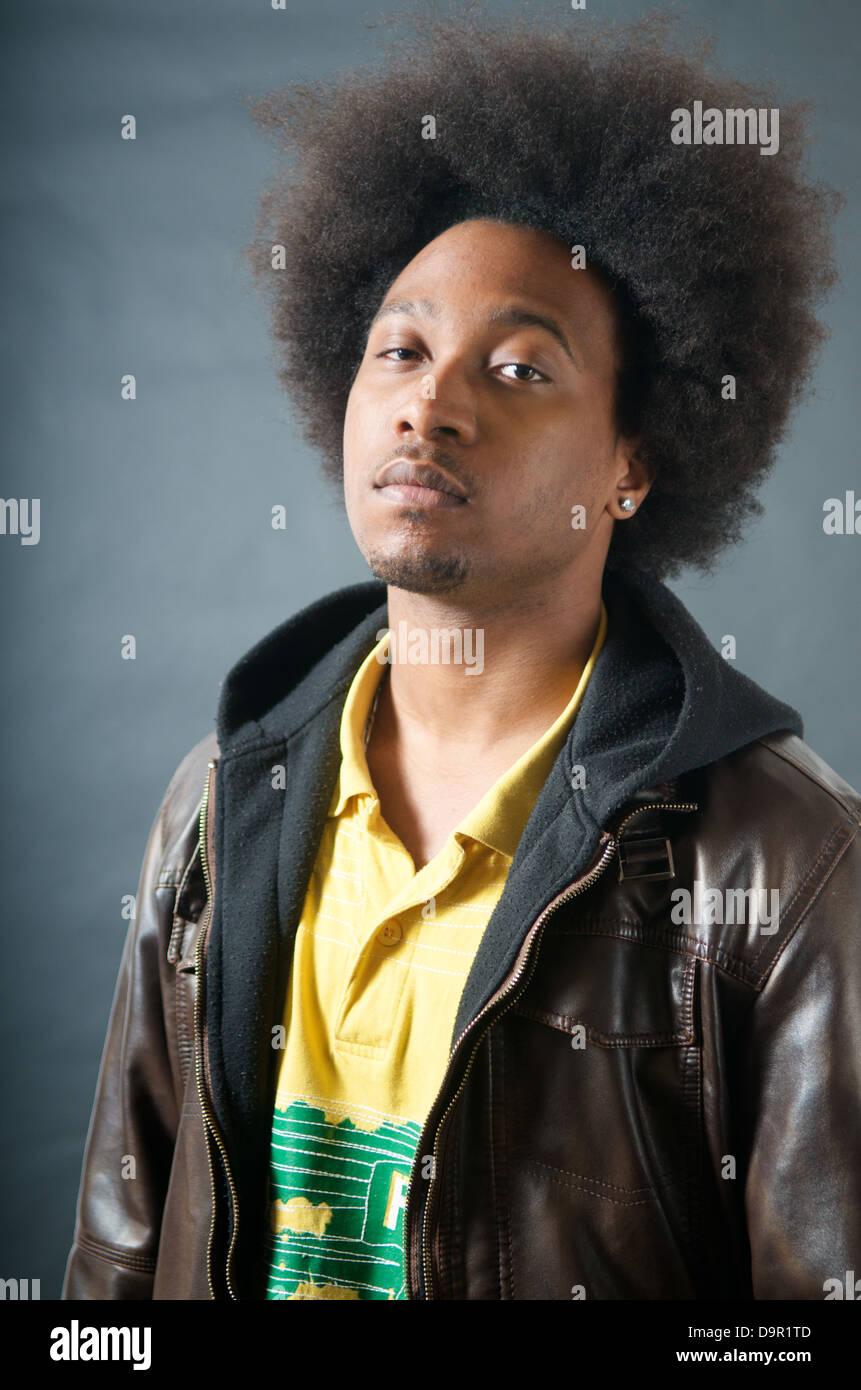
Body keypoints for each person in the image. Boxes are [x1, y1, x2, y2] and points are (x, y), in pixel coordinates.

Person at [63, 7, 860, 1300]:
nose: (430, 402)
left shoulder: (782, 858)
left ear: (632, 465)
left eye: (518, 368)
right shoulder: (217, 802)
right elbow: (115, 1265)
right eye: (401, 349)